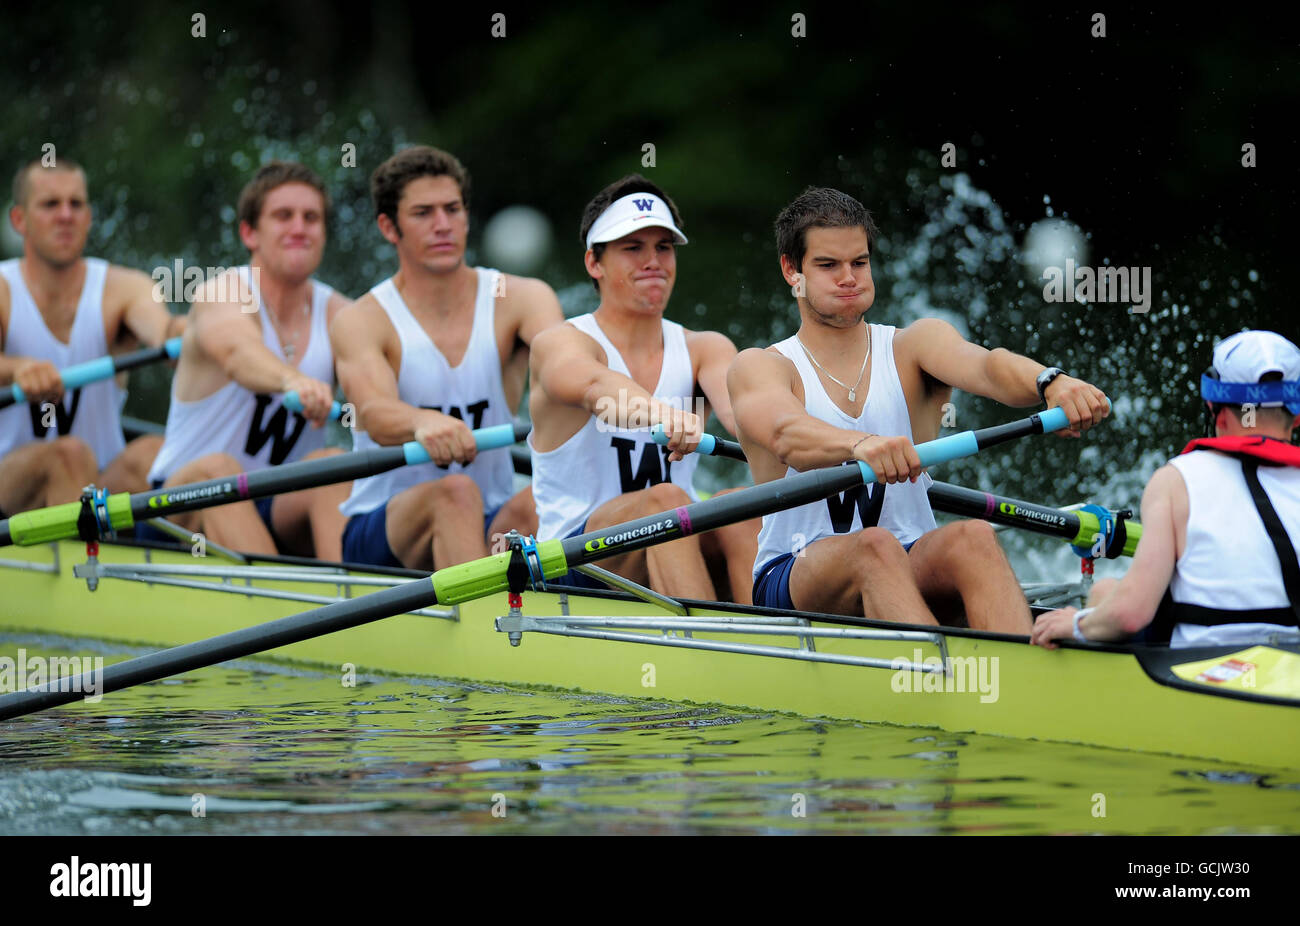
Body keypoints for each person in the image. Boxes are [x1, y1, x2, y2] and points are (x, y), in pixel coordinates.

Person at [727, 186, 1109, 632]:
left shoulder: (914, 346)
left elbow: (988, 366)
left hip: (907, 557)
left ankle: (1019, 679)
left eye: (860, 262)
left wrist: (1050, 382)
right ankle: (935, 681)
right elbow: (785, 434)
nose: (849, 277)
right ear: (792, 271)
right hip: (795, 571)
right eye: (828, 265)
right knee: (874, 546)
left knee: (973, 536)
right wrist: (862, 444)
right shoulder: (761, 366)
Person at [528, 175, 759, 602]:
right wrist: (662, 414)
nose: (653, 260)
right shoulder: (560, 343)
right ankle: (709, 652)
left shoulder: (705, 348)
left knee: (739, 504)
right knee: (664, 499)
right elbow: (597, 387)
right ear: (594, 264)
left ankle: (772, 640)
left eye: (663, 247)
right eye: (633, 248)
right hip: (574, 562)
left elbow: (751, 417)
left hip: (675, 542)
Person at [333, 146, 564, 570]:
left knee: (555, 494)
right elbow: (373, 412)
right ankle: (489, 627)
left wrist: (611, 394)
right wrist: (422, 421)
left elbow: (569, 365)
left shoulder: (522, 298)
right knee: (455, 490)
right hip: (384, 531)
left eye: (452, 209)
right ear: (389, 227)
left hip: (489, 518)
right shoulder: (362, 319)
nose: (443, 225)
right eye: (423, 213)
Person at [1033, 330, 1300, 649]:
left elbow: (1132, 614)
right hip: (1287, 671)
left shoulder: (1176, 481)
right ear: (1296, 416)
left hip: (1202, 674)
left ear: (1213, 404)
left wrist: (1075, 623)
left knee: (1106, 591)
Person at [146, 161, 348, 559]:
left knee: (333, 464)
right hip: (179, 510)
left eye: (311, 218)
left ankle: (351, 602)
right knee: (217, 469)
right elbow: (240, 355)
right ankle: (288, 609)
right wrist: (293, 380)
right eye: (283, 216)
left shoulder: (343, 314)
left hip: (273, 506)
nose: (299, 228)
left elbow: (383, 390)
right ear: (249, 233)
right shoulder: (220, 293)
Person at [0, 157, 183, 517]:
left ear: (89, 217)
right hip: (11, 485)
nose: (66, 215)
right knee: (68, 454)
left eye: (76, 204)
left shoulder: (125, 288)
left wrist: (186, 335)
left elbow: (164, 330)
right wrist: (16, 369)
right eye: (51, 204)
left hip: (100, 482)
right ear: (19, 220)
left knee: (156, 452)